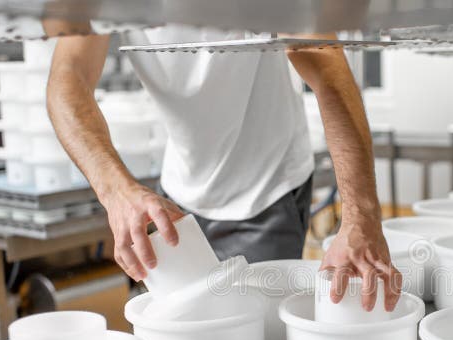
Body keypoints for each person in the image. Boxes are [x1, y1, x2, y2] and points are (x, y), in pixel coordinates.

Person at [45, 22, 401, 311]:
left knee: (255, 337)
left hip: (267, 187)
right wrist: (117, 192)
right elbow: (68, 76)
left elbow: (328, 73)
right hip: (179, 190)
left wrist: (360, 218)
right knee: (184, 326)